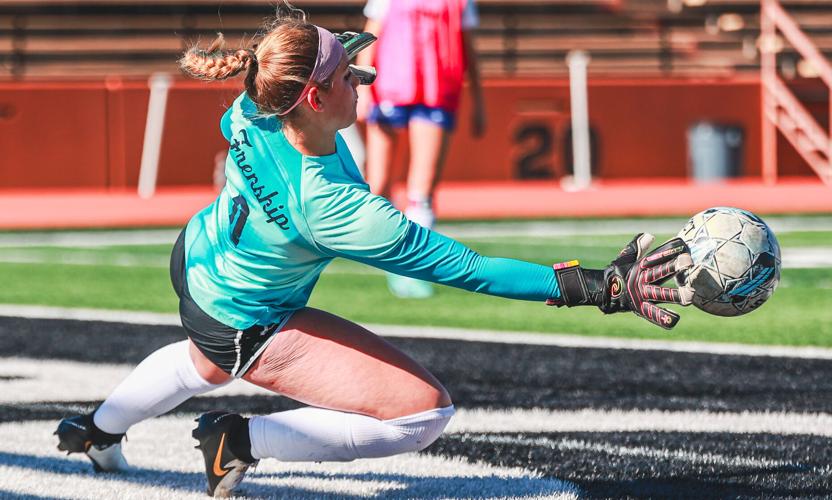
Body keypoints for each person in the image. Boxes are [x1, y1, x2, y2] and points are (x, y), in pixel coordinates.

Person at [53, 3, 694, 498]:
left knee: (205, 363)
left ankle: (97, 430)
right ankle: (240, 439)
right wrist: (598, 287)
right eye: (347, 74)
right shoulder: (336, 209)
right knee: (422, 414)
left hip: (198, 259)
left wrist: (334, 72)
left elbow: (296, 86)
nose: (366, 78)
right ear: (313, 97)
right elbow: (468, 269)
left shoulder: (254, 105)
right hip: (244, 315)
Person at [356, 0, 486, 298]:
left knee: (422, 189)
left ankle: (412, 267)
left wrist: (479, 102)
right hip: (390, 88)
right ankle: (388, 251)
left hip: (437, 93)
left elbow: (469, 49)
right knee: (379, 184)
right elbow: (371, 36)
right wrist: (363, 88)